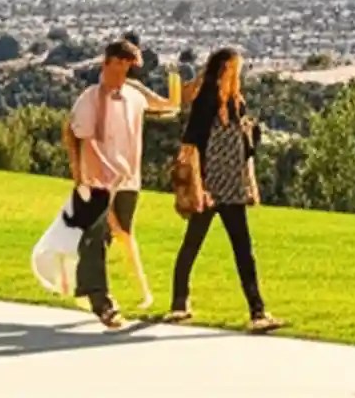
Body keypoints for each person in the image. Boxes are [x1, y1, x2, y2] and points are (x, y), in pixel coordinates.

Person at [164, 47, 282, 333]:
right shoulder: (205, 102)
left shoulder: (237, 104)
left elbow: (245, 152)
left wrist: (249, 185)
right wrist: (198, 188)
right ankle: (179, 303)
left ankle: (257, 311)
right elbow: (191, 146)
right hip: (209, 187)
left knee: (243, 250)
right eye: (233, 68)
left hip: (232, 188)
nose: (236, 73)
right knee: (192, 244)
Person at [64, 39, 172, 327]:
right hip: (97, 181)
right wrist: (82, 177)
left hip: (128, 181)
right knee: (95, 237)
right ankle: (102, 301)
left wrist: (193, 86)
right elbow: (78, 137)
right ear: (106, 63)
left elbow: (167, 107)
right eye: (119, 64)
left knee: (117, 233)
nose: (123, 71)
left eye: (128, 66)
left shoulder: (134, 97)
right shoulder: (89, 99)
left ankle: (85, 284)